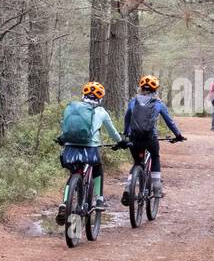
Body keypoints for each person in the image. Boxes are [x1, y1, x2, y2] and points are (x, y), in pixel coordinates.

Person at [54, 81, 125, 224]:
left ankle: (65, 203)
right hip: (90, 149)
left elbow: (66, 128)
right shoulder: (101, 112)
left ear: (84, 94)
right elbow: (112, 132)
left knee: (73, 174)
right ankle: (99, 199)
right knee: (97, 168)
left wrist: (61, 139)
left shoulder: (73, 108)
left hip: (71, 147)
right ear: (100, 98)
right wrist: (120, 141)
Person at [122, 74, 185, 202]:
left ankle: (128, 189)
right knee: (155, 157)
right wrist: (178, 135)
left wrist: (126, 133)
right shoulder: (158, 103)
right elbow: (169, 121)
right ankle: (157, 188)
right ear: (155, 90)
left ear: (141, 88)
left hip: (135, 139)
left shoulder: (133, 101)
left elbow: (127, 119)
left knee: (137, 163)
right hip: (151, 138)